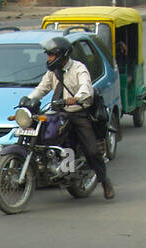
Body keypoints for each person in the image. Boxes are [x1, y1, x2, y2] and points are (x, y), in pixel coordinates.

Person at [23, 34, 114, 200]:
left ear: (62, 55)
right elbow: (42, 88)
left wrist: (76, 98)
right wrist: (29, 99)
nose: (49, 58)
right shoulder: (53, 72)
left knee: (92, 151)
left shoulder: (79, 68)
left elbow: (86, 88)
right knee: (42, 135)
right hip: (58, 112)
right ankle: (52, 165)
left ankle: (104, 181)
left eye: (51, 55)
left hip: (78, 112)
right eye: (48, 55)